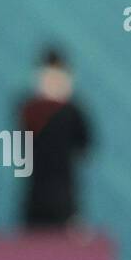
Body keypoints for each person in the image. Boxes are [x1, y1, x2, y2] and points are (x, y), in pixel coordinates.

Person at [19, 48, 92, 230]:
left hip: (65, 197)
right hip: (36, 196)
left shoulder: (73, 112)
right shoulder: (29, 109)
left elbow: (84, 145)